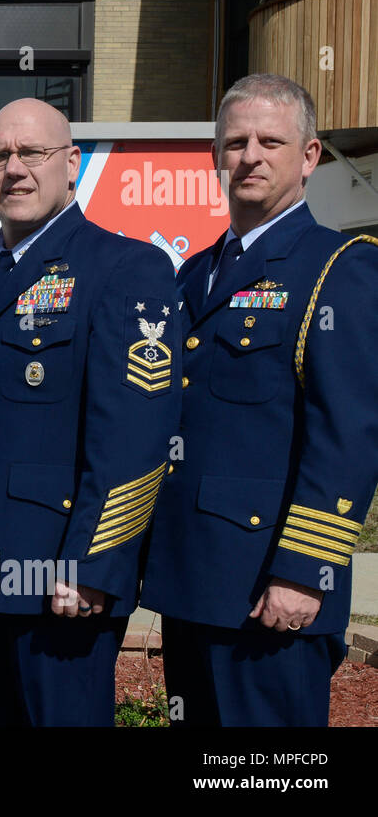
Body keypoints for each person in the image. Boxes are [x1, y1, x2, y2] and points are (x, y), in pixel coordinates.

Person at [0, 98, 182, 726]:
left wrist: (95, 563)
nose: (15, 168)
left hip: (57, 583)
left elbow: (136, 438)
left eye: (32, 152)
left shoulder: (123, 267)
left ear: (72, 165)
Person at [141, 74, 378, 726]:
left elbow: (351, 436)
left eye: (271, 141)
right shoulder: (193, 275)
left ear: (309, 157)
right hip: (190, 580)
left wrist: (304, 570)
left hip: (271, 587)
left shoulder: (340, 269)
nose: (250, 155)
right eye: (236, 141)